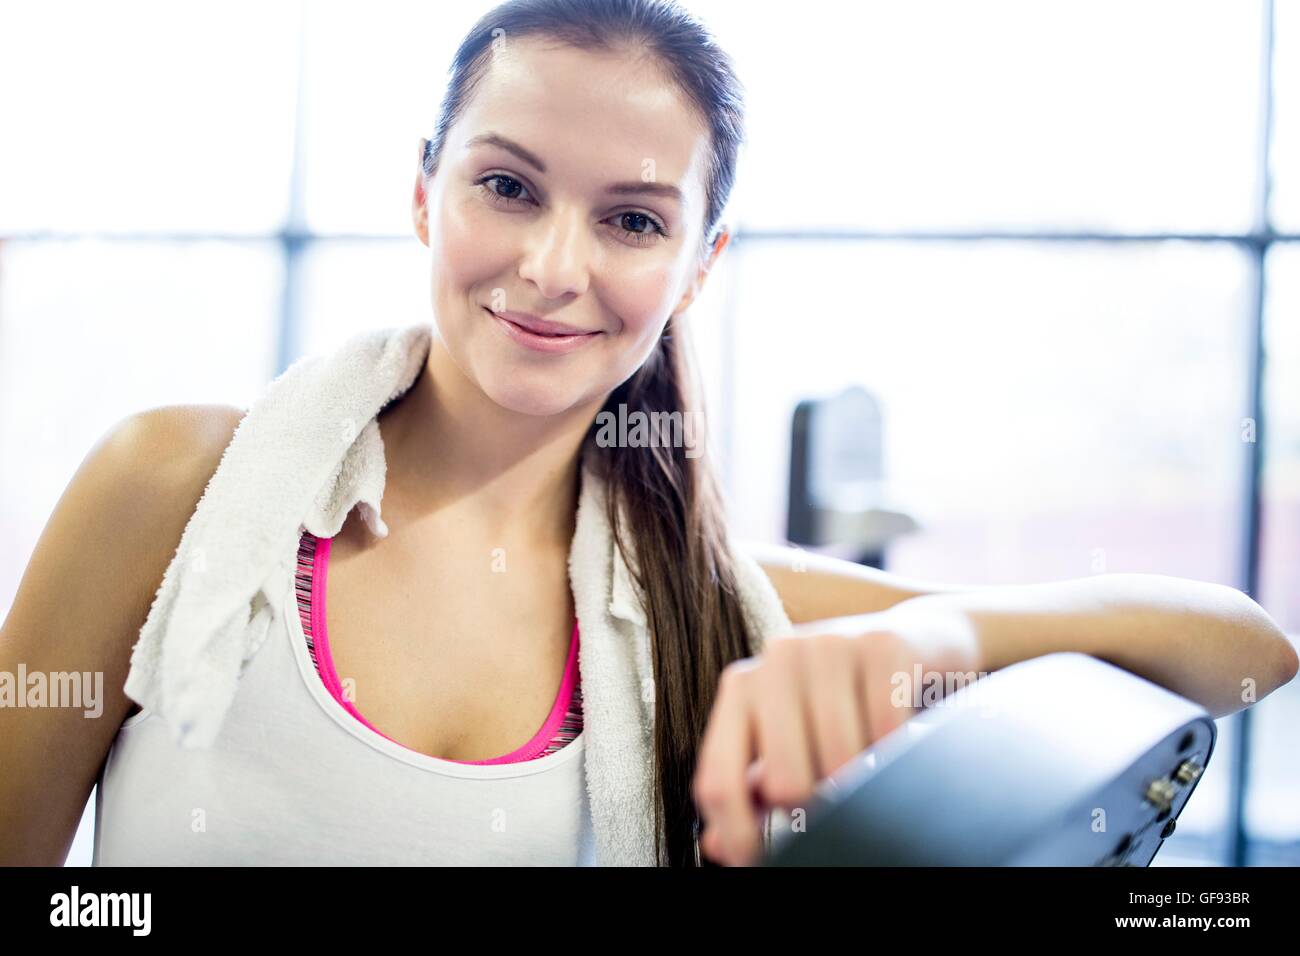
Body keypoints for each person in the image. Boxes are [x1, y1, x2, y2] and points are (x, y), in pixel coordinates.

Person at [2, 0, 1294, 868]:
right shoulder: (174, 489)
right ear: (421, 192)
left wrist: (928, 640)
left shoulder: (718, 610)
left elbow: (1244, 651)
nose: (555, 268)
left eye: (632, 220)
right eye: (506, 186)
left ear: (700, 261)